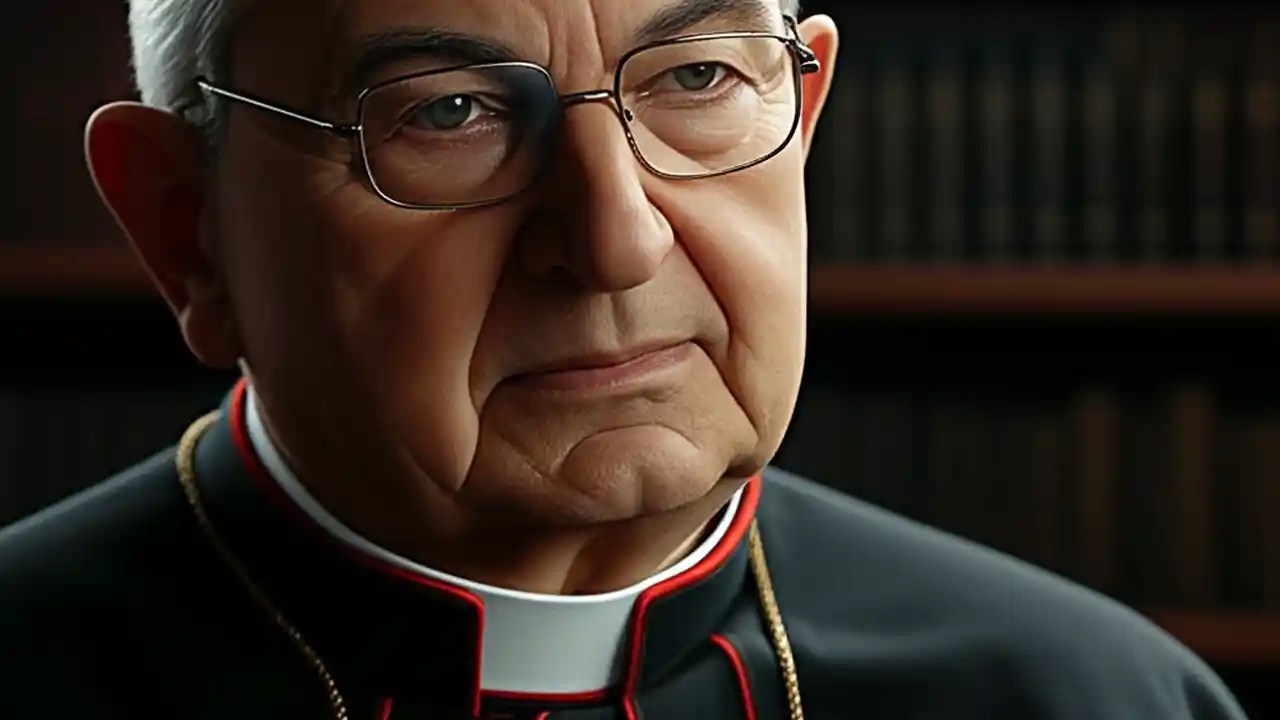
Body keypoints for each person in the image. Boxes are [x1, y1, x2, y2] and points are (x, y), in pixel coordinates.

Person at [0, 0, 1249, 718]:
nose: (614, 240)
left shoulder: (1092, 697)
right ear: (185, 226)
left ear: (802, 114)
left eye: (698, 77)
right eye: (449, 113)